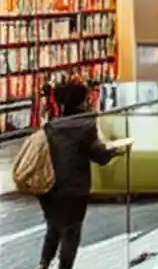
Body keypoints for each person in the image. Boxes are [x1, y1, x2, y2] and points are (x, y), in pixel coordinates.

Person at [39, 77, 123, 269]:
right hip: (75, 188)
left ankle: (43, 264)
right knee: (72, 231)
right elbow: (99, 156)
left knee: (54, 227)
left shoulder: (52, 126)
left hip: (51, 187)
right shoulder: (86, 125)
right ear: (81, 101)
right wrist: (115, 150)